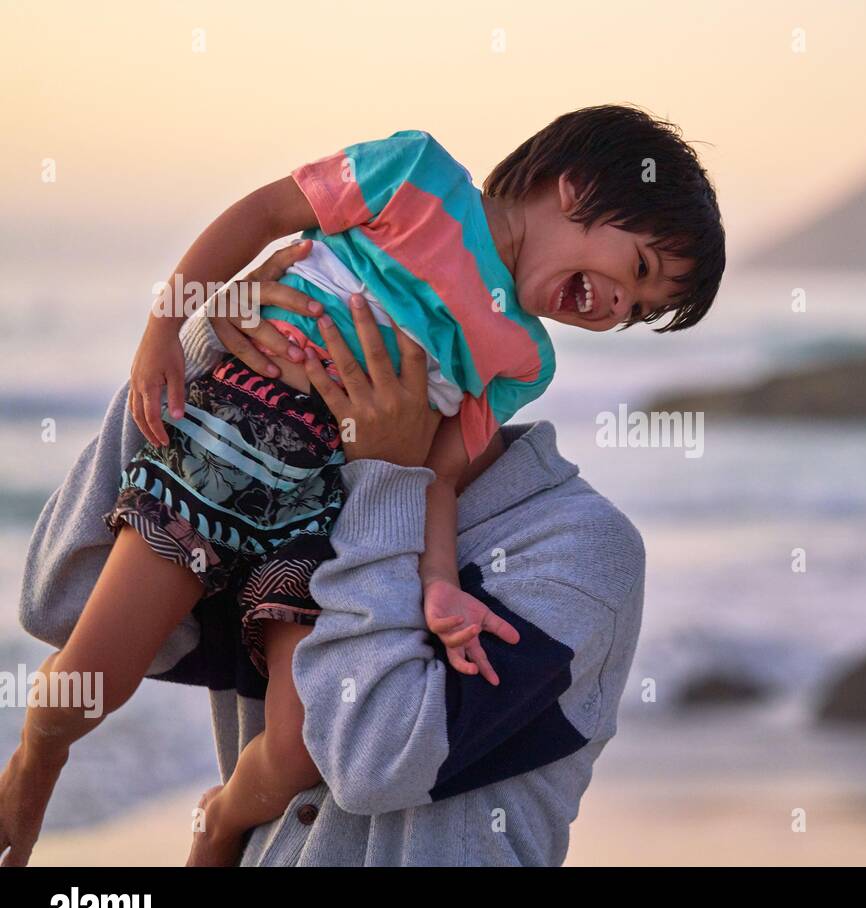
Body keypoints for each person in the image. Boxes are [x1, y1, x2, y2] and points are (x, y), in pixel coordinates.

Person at [2, 104, 722, 864]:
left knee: (295, 751)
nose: (618, 306)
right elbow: (268, 210)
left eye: (639, 311)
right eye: (637, 270)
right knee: (93, 675)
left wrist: (439, 582)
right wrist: (180, 327)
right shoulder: (418, 175)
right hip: (228, 436)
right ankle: (35, 758)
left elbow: (433, 476)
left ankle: (219, 824)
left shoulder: (522, 359)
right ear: (573, 188)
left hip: (330, 511)